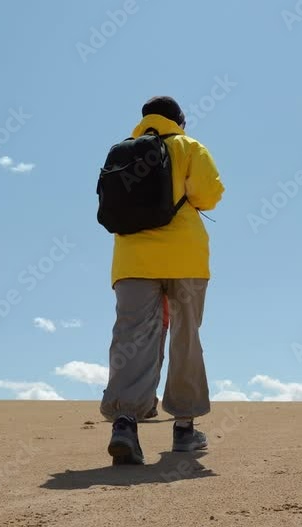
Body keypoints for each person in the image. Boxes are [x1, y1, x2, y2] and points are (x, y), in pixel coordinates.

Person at [99, 96, 225, 464]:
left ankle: (125, 424)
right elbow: (210, 194)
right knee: (186, 337)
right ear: (180, 121)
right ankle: (184, 430)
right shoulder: (188, 146)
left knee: (131, 336)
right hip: (184, 257)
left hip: (132, 260)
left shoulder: (120, 151)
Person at [141, 294, 169, 420]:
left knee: (155, 359)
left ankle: (148, 403)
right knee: (153, 359)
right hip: (147, 318)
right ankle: (146, 403)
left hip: (159, 318)